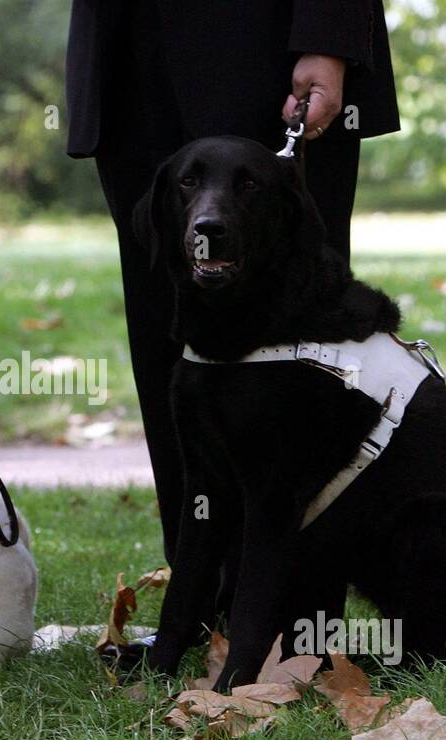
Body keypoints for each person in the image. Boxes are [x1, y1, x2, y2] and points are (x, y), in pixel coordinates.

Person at [65, 0, 400, 564]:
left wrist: (328, 36)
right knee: (167, 338)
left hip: (266, 45)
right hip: (127, 50)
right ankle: (197, 604)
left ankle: (296, 618)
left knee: (295, 339)